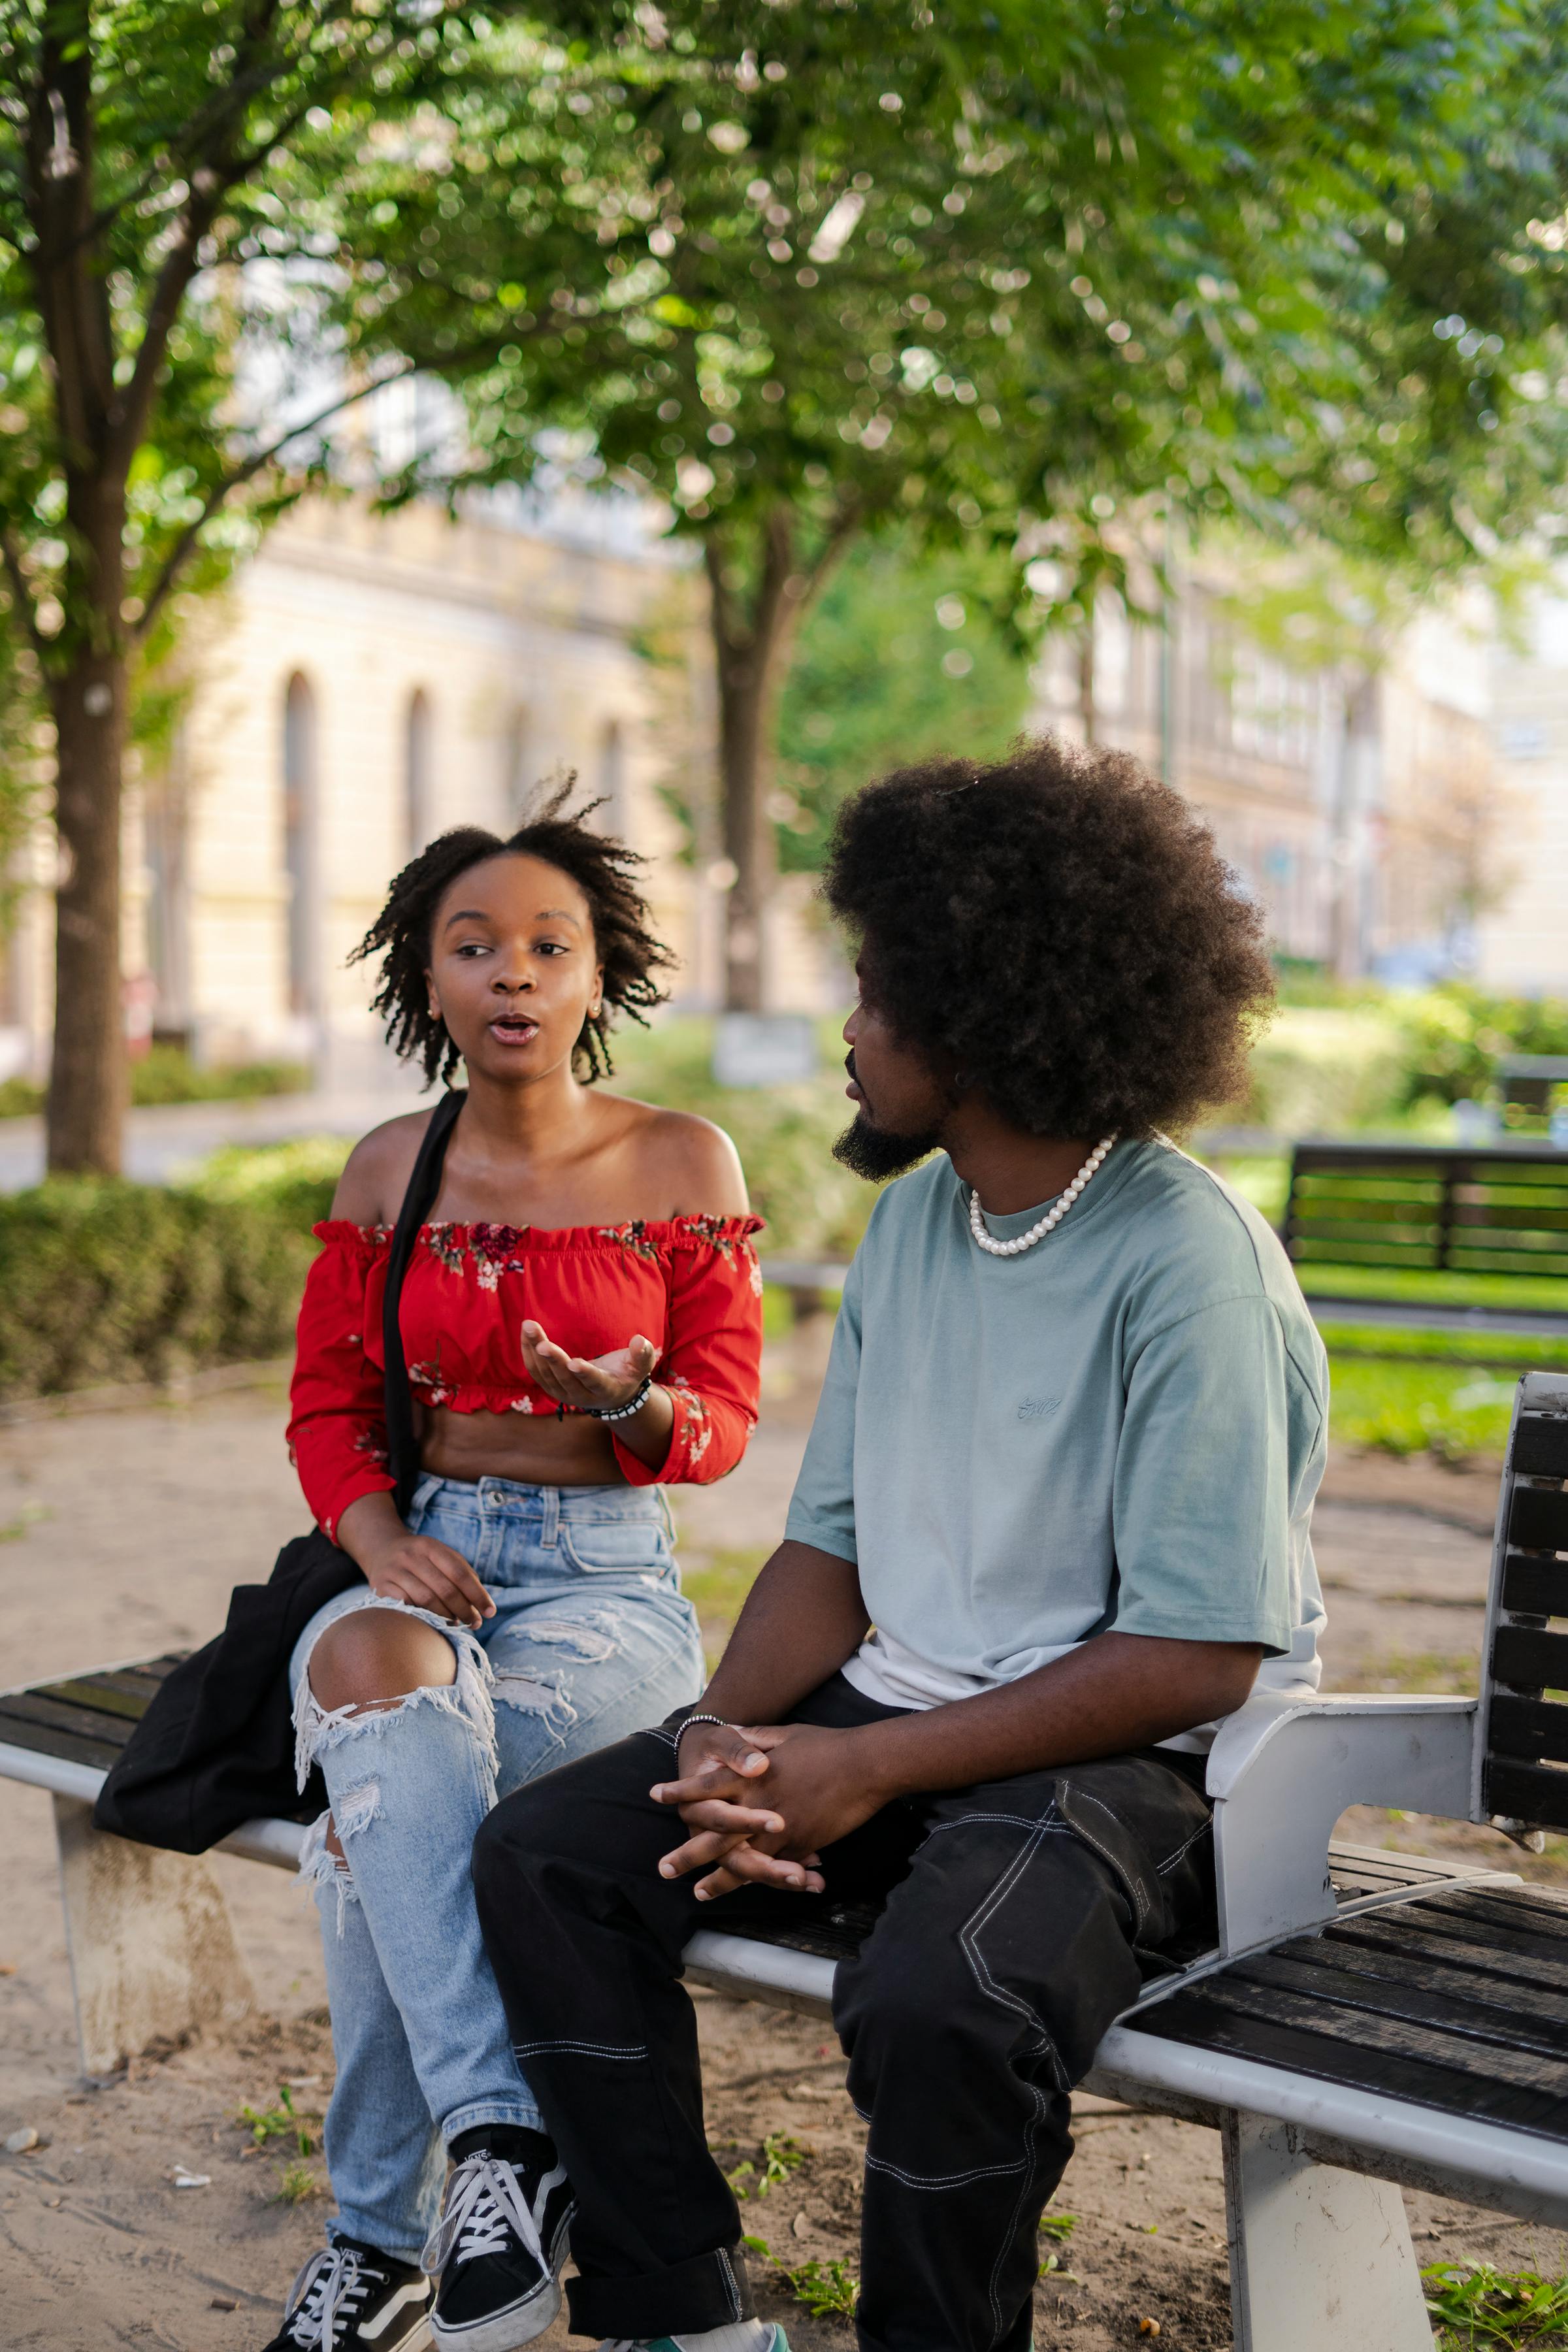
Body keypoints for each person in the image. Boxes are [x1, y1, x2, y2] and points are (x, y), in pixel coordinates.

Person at [470, 741, 1328, 2352]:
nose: (847, 1036)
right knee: (549, 1858)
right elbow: (830, 1554)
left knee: (941, 1998)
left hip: (1135, 1758)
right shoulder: (921, 1222)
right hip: (909, 1709)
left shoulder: (1188, 1263)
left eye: (873, 996)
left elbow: (1200, 1652)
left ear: (982, 1011)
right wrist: (723, 1738)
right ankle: (686, 2318)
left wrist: (871, 1770)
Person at [263, 789, 764, 2352]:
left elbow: (729, 1422)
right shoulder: (386, 1171)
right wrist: (376, 1540)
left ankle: (376, 2238)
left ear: (598, 978)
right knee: (365, 1683)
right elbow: (330, 1409)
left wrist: (628, 1396)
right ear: (429, 984)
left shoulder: (685, 1157)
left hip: (607, 1588)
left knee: (374, 1835)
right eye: (474, 947)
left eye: (552, 945)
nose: (514, 974)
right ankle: (504, 2141)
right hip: (421, 1562)